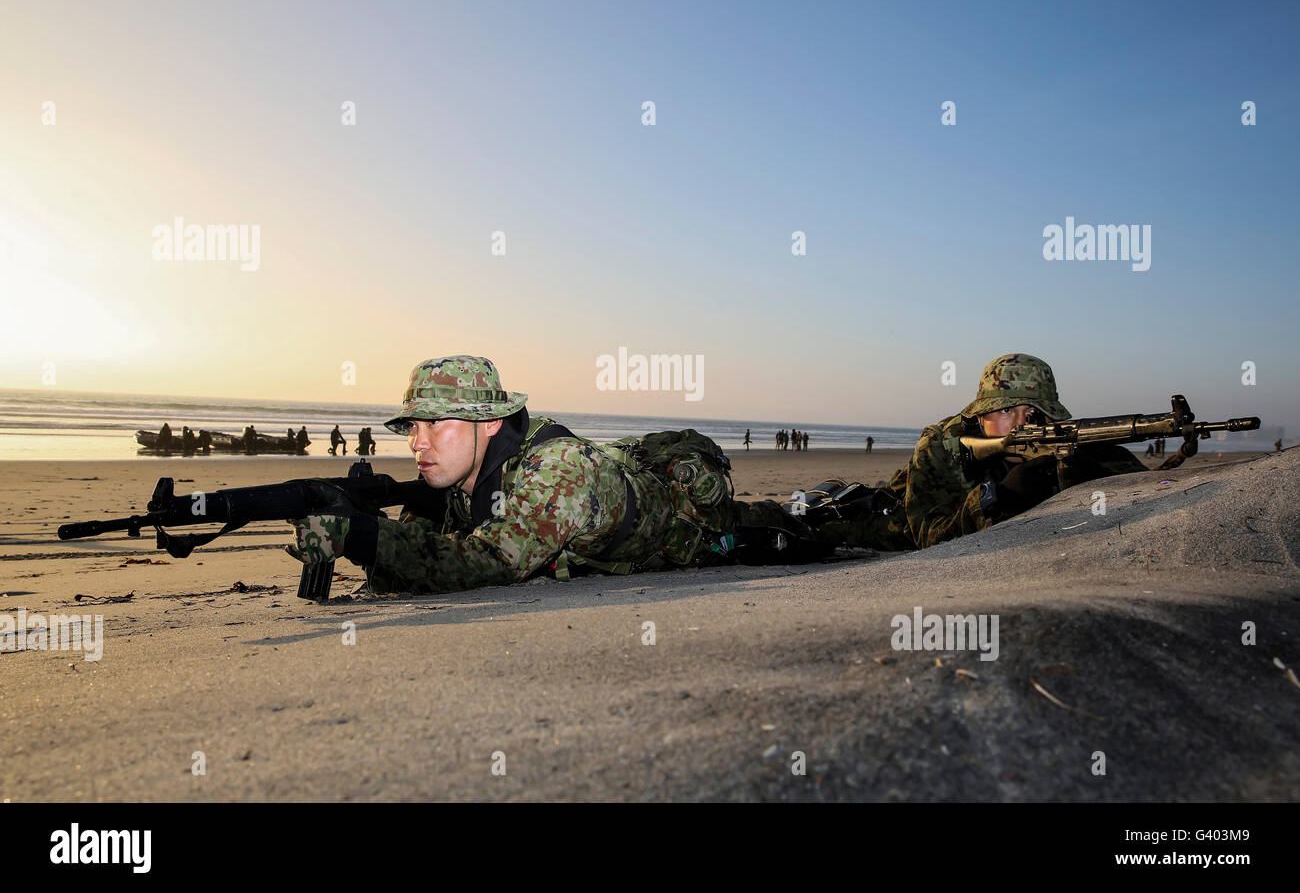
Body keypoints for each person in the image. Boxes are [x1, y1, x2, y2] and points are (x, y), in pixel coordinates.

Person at [285, 356, 828, 594]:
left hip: (695, 529)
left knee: (813, 526)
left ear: (490, 423)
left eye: (435, 424)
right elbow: (412, 572)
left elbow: (488, 565)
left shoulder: (556, 473)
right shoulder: (456, 479)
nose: (418, 442)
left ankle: (835, 511)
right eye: (411, 427)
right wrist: (387, 534)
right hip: (618, 528)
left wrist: (361, 536)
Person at [811, 354, 1147, 552]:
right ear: (981, 414)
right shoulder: (945, 443)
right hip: (883, 523)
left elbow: (1147, 486)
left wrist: (1089, 474)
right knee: (793, 527)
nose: (1018, 425)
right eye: (1005, 411)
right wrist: (998, 499)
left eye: (1031, 414)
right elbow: (930, 538)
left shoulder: (1058, 438)